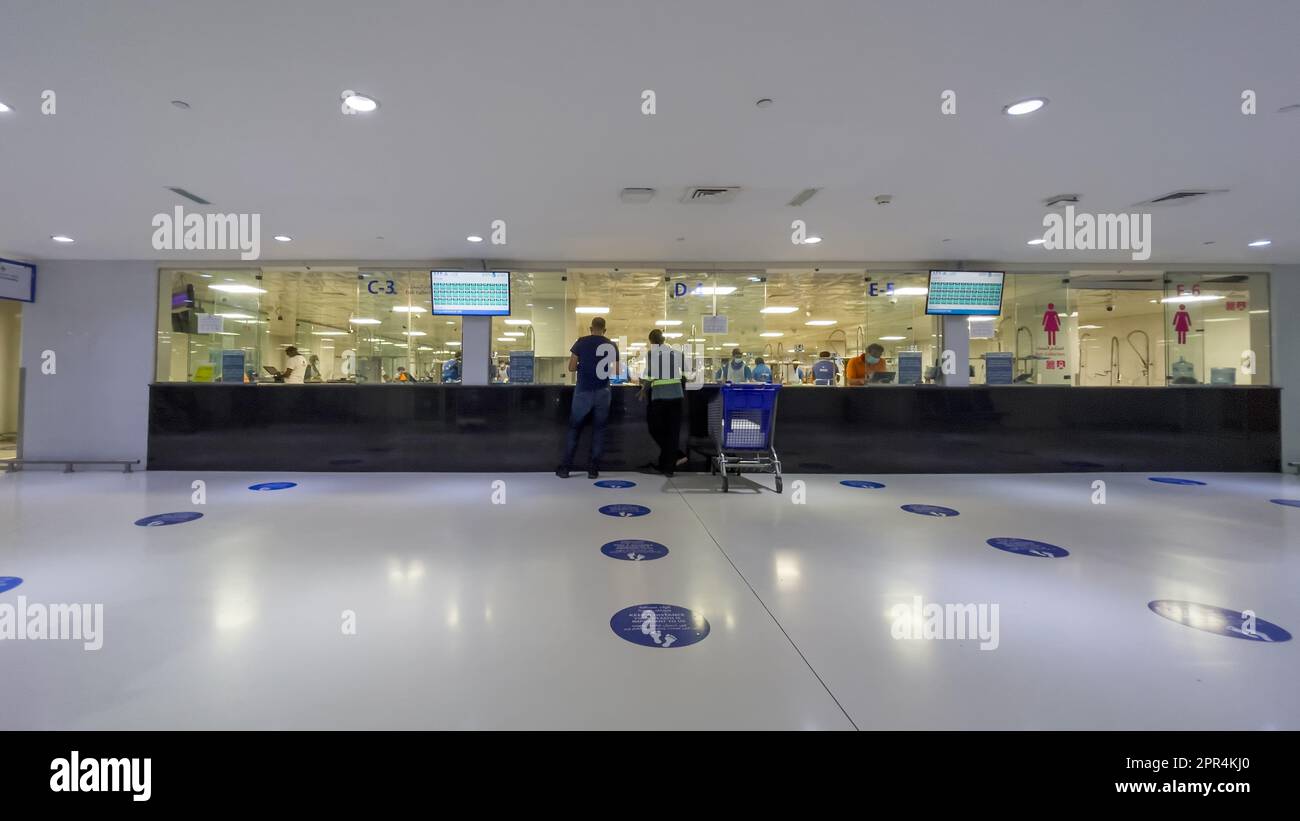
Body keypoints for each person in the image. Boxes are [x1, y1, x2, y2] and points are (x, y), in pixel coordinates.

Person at [558, 316, 618, 479]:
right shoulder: (611, 345)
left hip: (583, 391)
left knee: (574, 428)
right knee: (599, 429)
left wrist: (584, 367)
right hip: (603, 392)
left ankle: (565, 468)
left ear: (591, 328)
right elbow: (617, 371)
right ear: (604, 330)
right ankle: (593, 470)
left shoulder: (581, 342)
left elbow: (571, 367)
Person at [640, 329, 685, 476]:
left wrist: (643, 390)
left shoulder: (651, 353)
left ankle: (674, 457)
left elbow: (649, 375)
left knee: (656, 429)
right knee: (672, 432)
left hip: (660, 397)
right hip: (676, 396)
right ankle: (669, 466)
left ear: (652, 341)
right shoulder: (676, 353)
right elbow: (687, 372)